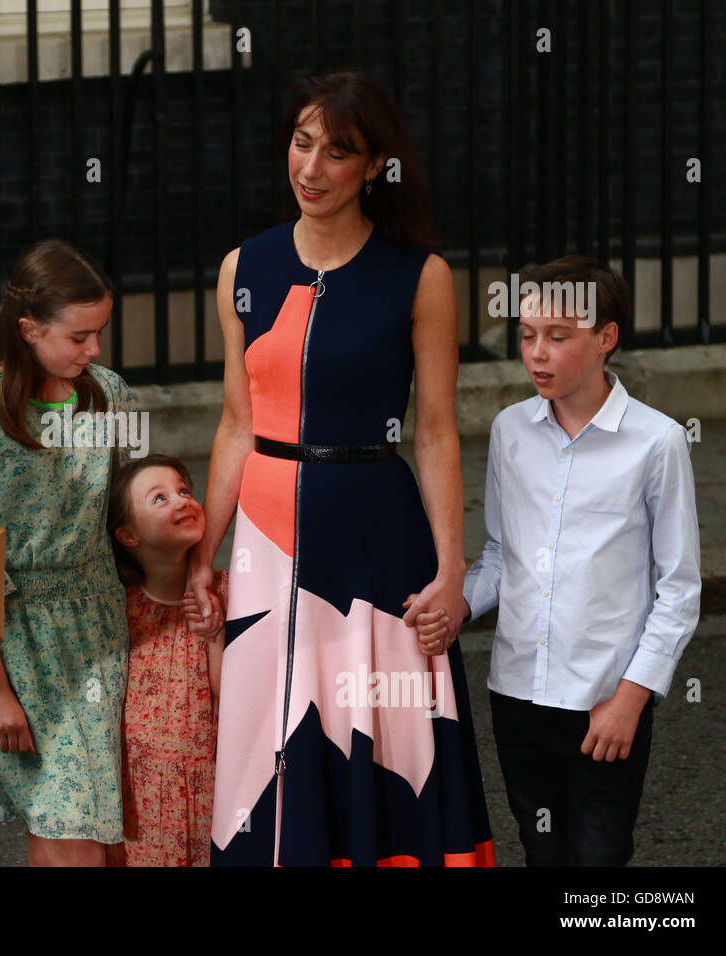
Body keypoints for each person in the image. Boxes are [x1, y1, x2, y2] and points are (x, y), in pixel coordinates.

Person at [186, 69, 494, 866]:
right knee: (269, 743)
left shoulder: (418, 275)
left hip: (376, 538)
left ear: (374, 166)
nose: (312, 168)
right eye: (302, 142)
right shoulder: (241, 268)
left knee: (380, 739)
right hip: (265, 540)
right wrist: (202, 557)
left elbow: (433, 434)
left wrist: (452, 568)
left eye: (338, 151)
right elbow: (237, 423)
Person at [414, 256, 700, 866]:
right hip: (517, 694)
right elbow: (499, 553)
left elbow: (678, 590)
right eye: (526, 335)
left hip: (605, 699)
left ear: (606, 338)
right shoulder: (509, 431)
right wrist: (457, 602)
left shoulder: (658, 442)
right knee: (541, 849)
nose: (536, 353)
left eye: (557, 337)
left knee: (597, 857)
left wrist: (630, 699)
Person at [0, 239, 136, 867]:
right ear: (27, 329)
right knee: (63, 814)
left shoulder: (107, 393)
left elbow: (125, 520)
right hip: (14, 642)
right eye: (78, 337)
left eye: (99, 333)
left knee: (105, 827)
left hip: (101, 628)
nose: (94, 350)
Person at [105, 454, 226, 867]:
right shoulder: (118, 609)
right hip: (144, 802)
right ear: (128, 536)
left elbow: (233, 696)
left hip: (217, 787)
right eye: (159, 499)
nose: (180, 501)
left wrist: (214, 635)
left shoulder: (229, 592)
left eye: (184, 490)